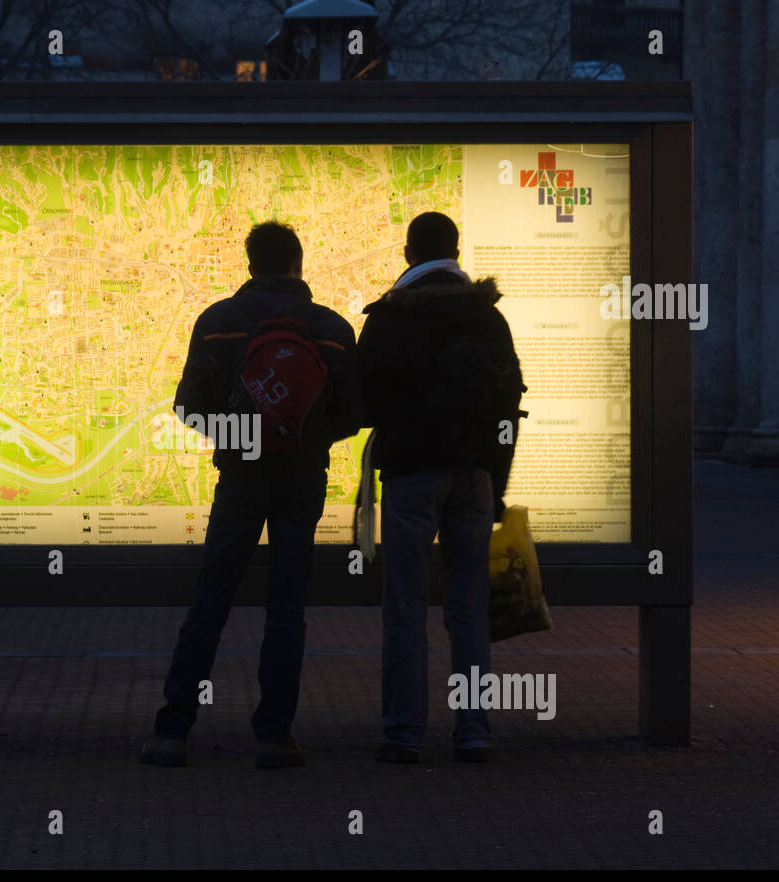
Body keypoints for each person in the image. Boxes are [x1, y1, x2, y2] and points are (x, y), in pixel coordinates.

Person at [141, 221, 363, 770]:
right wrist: (302, 437)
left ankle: (172, 733)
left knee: (210, 601)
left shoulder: (218, 322)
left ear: (250, 264)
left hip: (240, 480)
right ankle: (274, 737)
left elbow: (188, 407)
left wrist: (243, 437)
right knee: (286, 607)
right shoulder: (331, 328)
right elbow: (353, 414)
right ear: (297, 264)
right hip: (302, 480)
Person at [356, 212, 524, 765]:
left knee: (405, 607)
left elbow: (365, 402)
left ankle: (404, 733)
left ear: (408, 253)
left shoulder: (390, 319)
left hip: (410, 474)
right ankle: (473, 732)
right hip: (474, 474)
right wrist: (495, 483)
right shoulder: (488, 318)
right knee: (469, 608)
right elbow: (509, 405)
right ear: (456, 250)